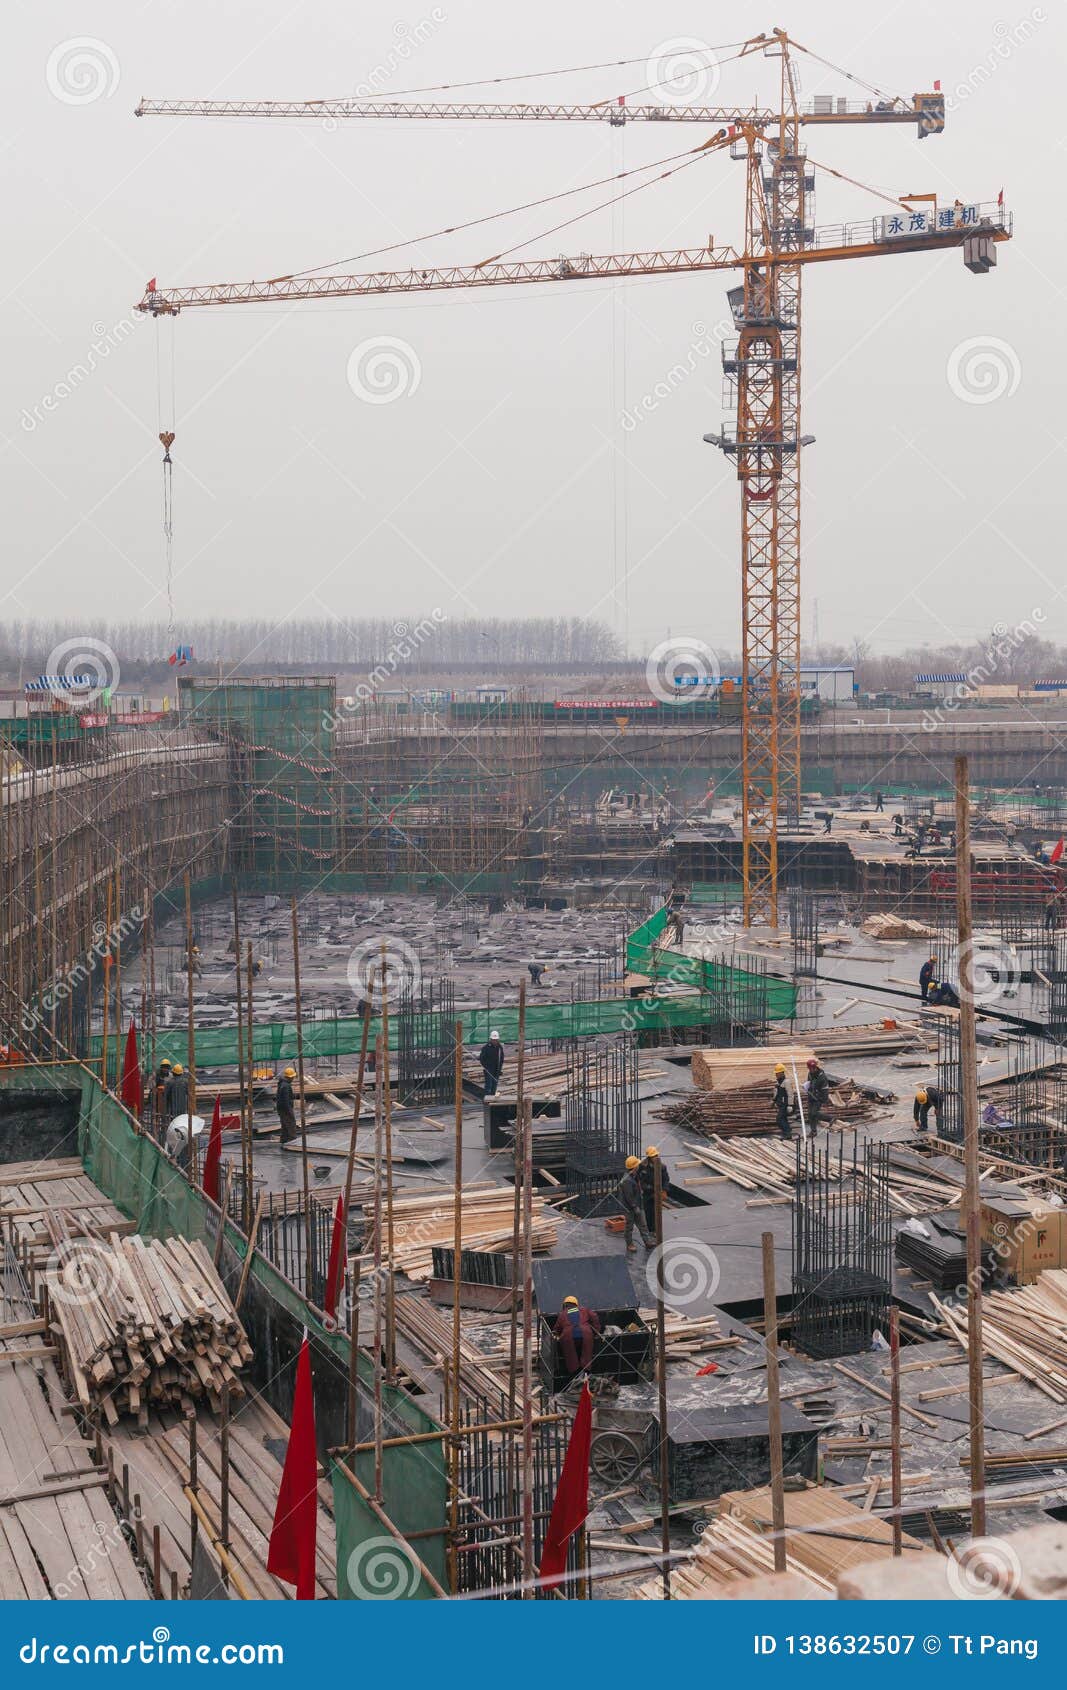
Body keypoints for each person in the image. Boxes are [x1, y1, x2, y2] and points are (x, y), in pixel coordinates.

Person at [553, 1295, 601, 1376]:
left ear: (565, 1305)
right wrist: (596, 1331)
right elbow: (594, 1317)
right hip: (586, 1335)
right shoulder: (584, 1310)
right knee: (586, 1356)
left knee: (572, 1359)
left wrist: (556, 1334)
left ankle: (575, 1376)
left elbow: (557, 1329)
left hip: (568, 1338)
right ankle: (586, 1374)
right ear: (576, 1304)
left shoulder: (562, 1314)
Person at [618, 1155, 653, 1252]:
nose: (639, 1166)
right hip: (629, 1208)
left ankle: (647, 1241)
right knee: (629, 1226)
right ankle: (629, 1244)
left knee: (643, 1225)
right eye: (637, 1165)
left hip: (638, 1204)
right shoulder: (627, 1181)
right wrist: (635, 1207)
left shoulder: (635, 1175)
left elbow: (642, 1166)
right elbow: (629, 1197)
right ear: (634, 1167)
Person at [638, 1147, 670, 1236]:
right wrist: (646, 1188)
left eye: (656, 1155)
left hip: (657, 1193)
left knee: (656, 1212)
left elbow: (666, 1179)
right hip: (647, 1193)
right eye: (653, 1156)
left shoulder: (662, 1167)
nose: (655, 1157)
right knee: (648, 1211)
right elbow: (640, 1179)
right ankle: (649, 1230)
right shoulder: (643, 1166)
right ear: (649, 1157)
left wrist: (664, 1190)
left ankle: (655, 1230)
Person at [806, 1058, 831, 1131]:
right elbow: (809, 1083)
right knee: (810, 1115)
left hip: (818, 1098)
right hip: (811, 1096)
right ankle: (813, 1131)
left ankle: (830, 1118)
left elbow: (825, 1089)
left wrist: (823, 1100)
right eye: (810, 1068)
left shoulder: (822, 1077)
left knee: (814, 1113)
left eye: (812, 1068)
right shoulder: (810, 1074)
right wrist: (806, 1087)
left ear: (815, 1067)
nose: (811, 1070)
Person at [479, 1030, 505, 1096]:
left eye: (496, 1040)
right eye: (493, 1039)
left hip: (496, 1070)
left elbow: (501, 1059)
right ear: (490, 1039)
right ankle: (487, 1100)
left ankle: (492, 1099)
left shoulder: (499, 1048)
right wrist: (486, 1068)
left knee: (494, 1086)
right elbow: (482, 1059)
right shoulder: (486, 1048)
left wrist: (499, 1069)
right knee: (488, 1086)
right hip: (489, 1070)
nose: (495, 1041)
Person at [276, 1066, 298, 1142]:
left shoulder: (282, 1083)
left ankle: (284, 1140)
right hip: (285, 1108)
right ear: (289, 1077)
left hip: (281, 1108)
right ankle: (293, 1140)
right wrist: (289, 1111)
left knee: (285, 1125)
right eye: (292, 1077)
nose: (293, 1079)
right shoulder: (286, 1086)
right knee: (291, 1124)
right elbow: (285, 1100)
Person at [773, 1063, 794, 1139]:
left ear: (782, 1073)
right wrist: (774, 1101)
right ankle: (786, 1133)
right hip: (781, 1104)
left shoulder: (787, 1082)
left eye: (777, 1073)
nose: (776, 1075)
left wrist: (790, 1105)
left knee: (779, 1119)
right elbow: (776, 1093)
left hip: (785, 1104)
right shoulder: (778, 1082)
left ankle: (787, 1133)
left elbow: (790, 1094)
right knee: (783, 1118)